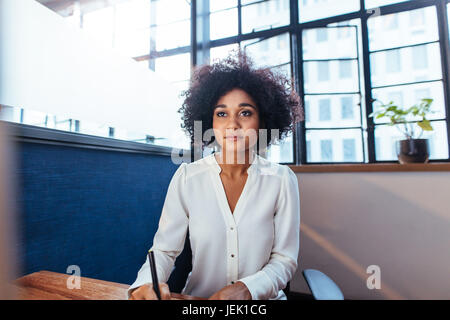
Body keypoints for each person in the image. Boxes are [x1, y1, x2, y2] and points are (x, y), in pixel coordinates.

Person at [128, 50, 303, 300]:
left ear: (262, 121)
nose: (232, 124)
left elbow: (285, 260)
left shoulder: (282, 180)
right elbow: (164, 251)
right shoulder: (187, 177)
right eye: (222, 114)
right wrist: (145, 284)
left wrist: (247, 289)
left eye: (245, 113)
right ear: (210, 122)